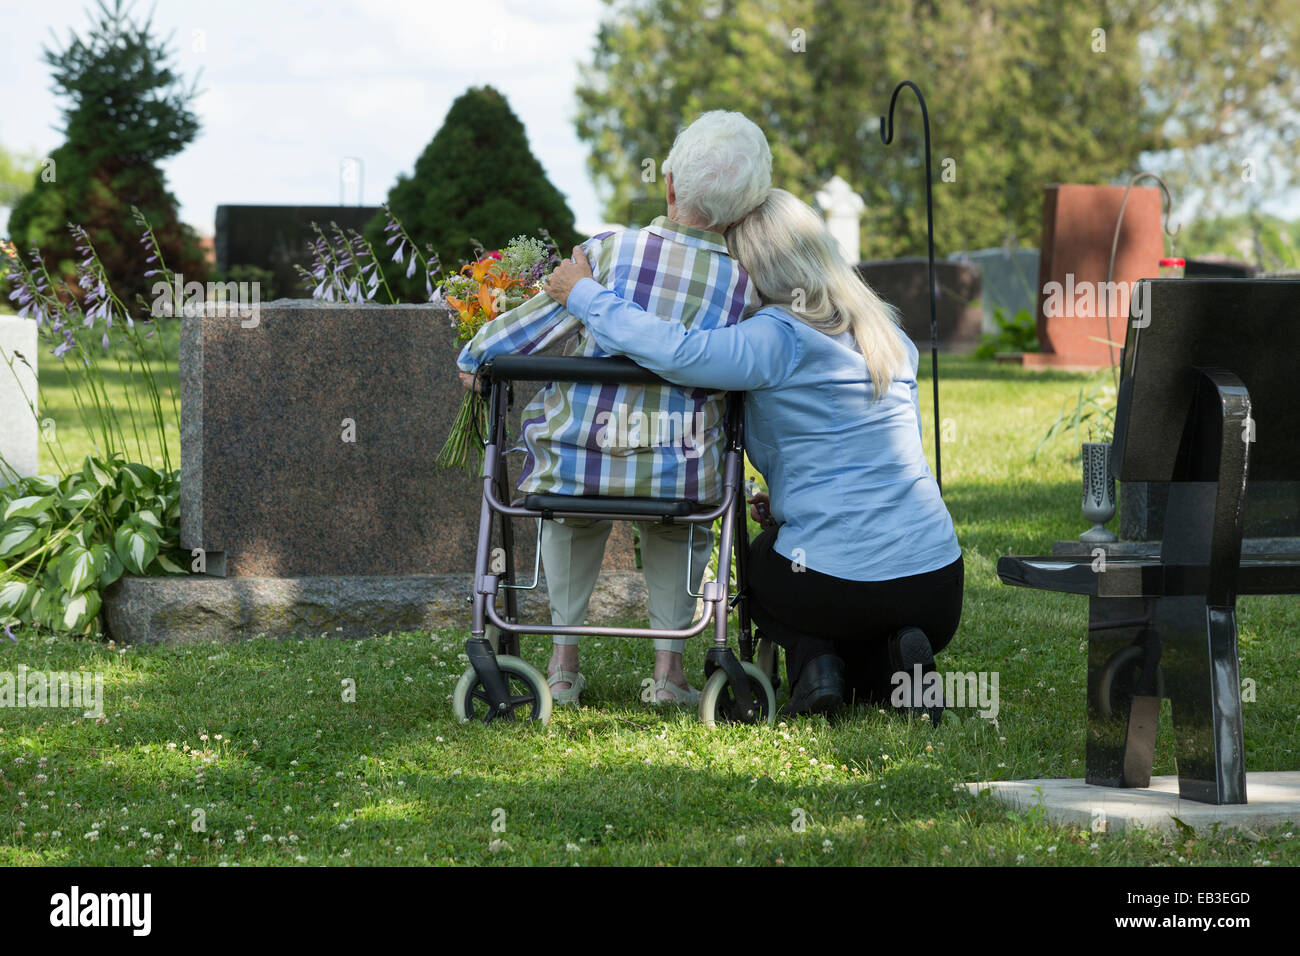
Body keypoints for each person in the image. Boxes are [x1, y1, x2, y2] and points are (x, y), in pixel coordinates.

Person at [542, 189, 963, 721]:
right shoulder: (889, 334)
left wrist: (584, 295)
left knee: (762, 565)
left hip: (833, 581)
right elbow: (878, 460)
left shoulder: (777, 335)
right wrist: (786, 499)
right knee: (861, 632)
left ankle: (816, 667)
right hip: (938, 582)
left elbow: (677, 351)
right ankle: (899, 660)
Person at [456, 111, 771, 707]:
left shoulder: (607, 254)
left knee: (574, 515)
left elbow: (534, 328)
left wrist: (475, 358)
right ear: (746, 208)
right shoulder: (743, 286)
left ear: (671, 184)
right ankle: (670, 673)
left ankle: (562, 667)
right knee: (677, 526)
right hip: (679, 470)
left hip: (578, 464)